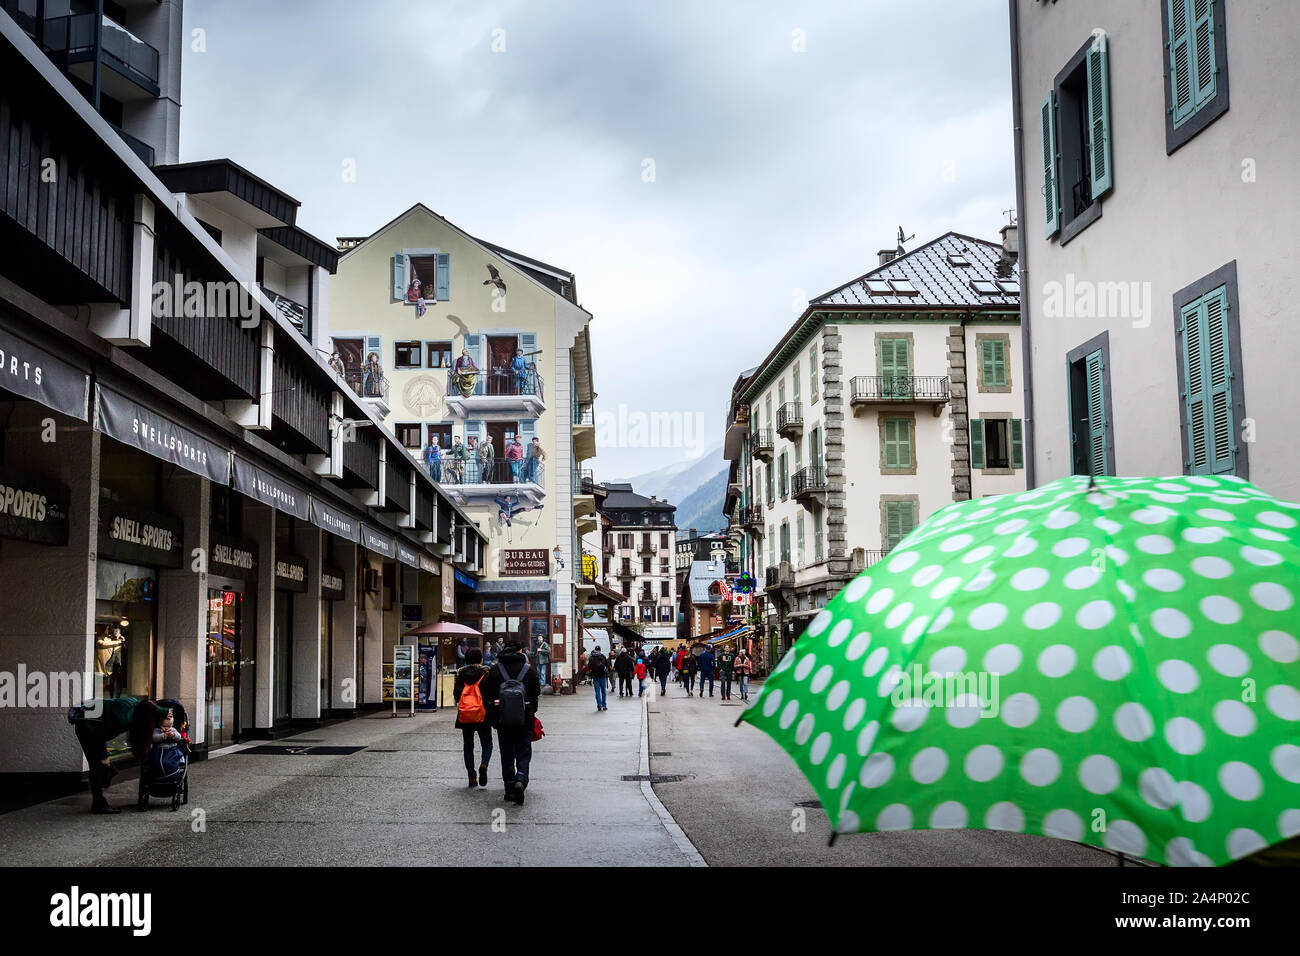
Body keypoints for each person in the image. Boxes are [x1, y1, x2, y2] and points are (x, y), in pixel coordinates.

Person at [68, 696, 170, 813]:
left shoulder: (139, 707)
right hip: (86, 726)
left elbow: (151, 708)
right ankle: (99, 804)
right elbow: (99, 735)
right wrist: (104, 757)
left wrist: (167, 711)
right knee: (96, 764)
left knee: (102, 765)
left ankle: (107, 774)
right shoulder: (122, 718)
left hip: (93, 721)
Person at [482, 640, 540, 805]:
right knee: (523, 751)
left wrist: (493, 715)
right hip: (525, 720)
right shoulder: (529, 670)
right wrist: (531, 710)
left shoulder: (494, 670)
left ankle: (509, 788)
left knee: (506, 753)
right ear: (520, 652)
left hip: (502, 721)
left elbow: (487, 695)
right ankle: (521, 779)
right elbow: (536, 692)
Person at [454, 647, 493, 788]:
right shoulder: (486, 673)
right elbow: (492, 693)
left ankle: (471, 775)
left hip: (466, 714)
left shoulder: (461, 674)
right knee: (487, 743)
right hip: (483, 714)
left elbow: (456, 696)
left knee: (468, 745)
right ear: (481, 659)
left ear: (467, 659)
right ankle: (484, 764)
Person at [587, 645, 609, 711]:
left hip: (595, 676)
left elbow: (589, 667)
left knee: (597, 692)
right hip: (602, 676)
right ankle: (604, 705)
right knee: (603, 691)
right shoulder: (603, 657)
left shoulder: (591, 657)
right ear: (600, 650)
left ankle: (599, 705)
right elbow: (607, 665)